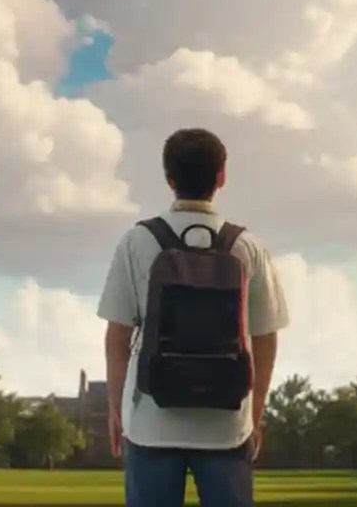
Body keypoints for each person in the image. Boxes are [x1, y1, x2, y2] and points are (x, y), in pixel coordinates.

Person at [97, 127, 290, 507]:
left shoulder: (137, 242)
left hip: (152, 420)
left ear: (169, 179)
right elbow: (265, 339)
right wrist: (256, 413)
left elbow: (117, 336)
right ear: (222, 176)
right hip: (226, 425)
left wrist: (116, 410)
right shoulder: (247, 246)